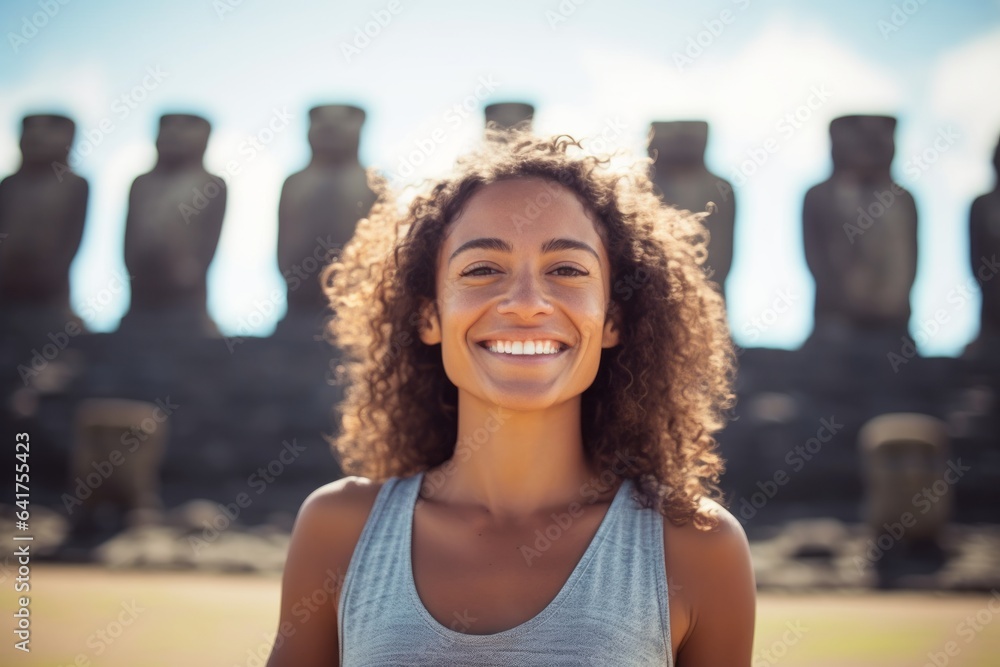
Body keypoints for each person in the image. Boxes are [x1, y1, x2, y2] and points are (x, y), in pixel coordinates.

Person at [266, 130, 756, 666]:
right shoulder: (339, 529)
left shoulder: (697, 548)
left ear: (612, 319)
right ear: (429, 316)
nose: (526, 303)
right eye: (482, 270)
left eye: (567, 270)